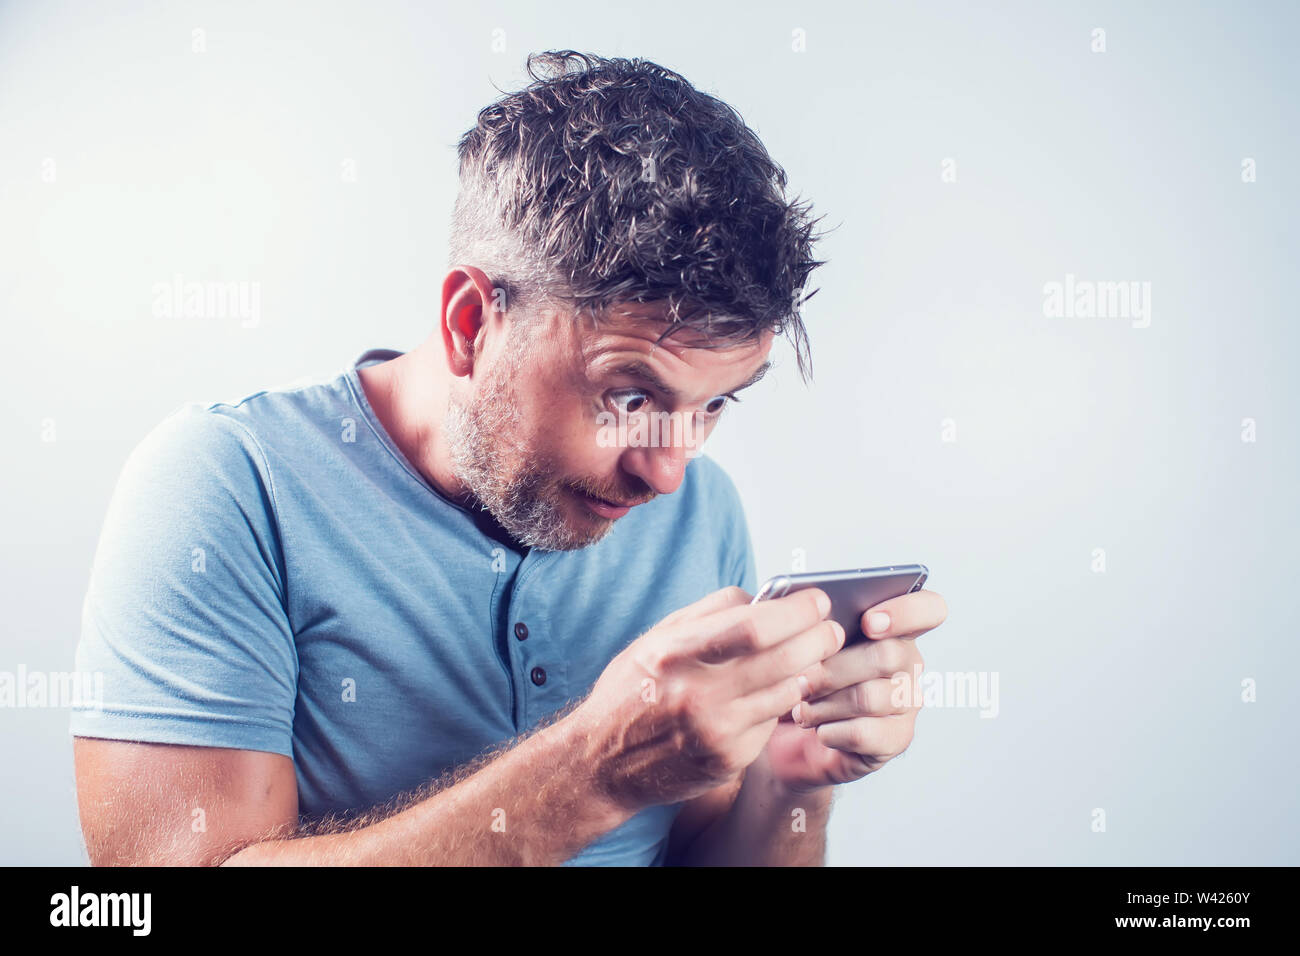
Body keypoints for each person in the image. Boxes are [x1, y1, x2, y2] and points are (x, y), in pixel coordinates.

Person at [71, 50, 946, 866]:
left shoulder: (701, 509)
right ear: (469, 324)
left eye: (712, 406)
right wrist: (594, 770)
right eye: (629, 398)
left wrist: (789, 783)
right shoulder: (226, 485)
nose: (668, 473)